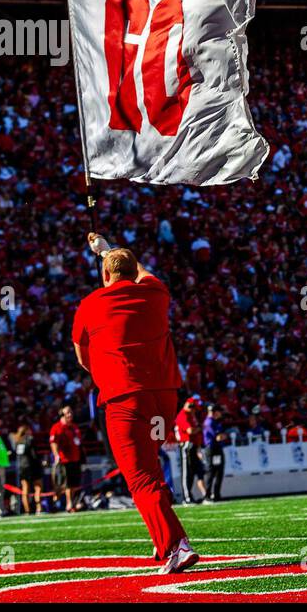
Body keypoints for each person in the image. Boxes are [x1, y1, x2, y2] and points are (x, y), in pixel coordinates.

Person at [73, 233, 198, 574]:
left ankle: (175, 544)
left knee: (141, 477)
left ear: (104, 276)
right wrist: (109, 249)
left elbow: (82, 357)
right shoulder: (155, 293)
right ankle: (169, 541)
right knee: (152, 472)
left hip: (125, 397)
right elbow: (142, 272)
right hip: (165, 397)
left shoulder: (90, 304)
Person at [49, 406, 83, 513]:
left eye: (71, 412)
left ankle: (72, 502)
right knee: (66, 484)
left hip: (75, 458)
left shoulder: (74, 427)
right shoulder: (57, 427)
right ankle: (67, 504)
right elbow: (53, 442)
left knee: (74, 483)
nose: (70, 415)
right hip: (64, 460)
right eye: (67, 413)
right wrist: (56, 455)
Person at [174, 398, 206, 505]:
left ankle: (189, 496)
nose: (195, 411)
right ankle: (186, 498)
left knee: (192, 472)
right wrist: (199, 428)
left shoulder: (190, 415)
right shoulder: (183, 415)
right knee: (186, 472)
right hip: (186, 445)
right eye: (194, 408)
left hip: (192, 445)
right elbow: (190, 430)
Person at [12, 425, 45, 514]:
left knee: (25, 489)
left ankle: (27, 510)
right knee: (38, 487)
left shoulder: (17, 441)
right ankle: (39, 508)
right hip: (32, 466)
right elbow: (34, 455)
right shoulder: (30, 439)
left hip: (22, 467)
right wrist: (41, 463)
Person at [202, 404, 226, 502]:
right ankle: (208, 495)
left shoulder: (215, 422)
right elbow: (218, 437)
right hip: (212, 449)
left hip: (216, 449)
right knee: (211, 472)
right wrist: (223, 436)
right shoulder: (209, 422)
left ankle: (216, 494)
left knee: (218, 471)